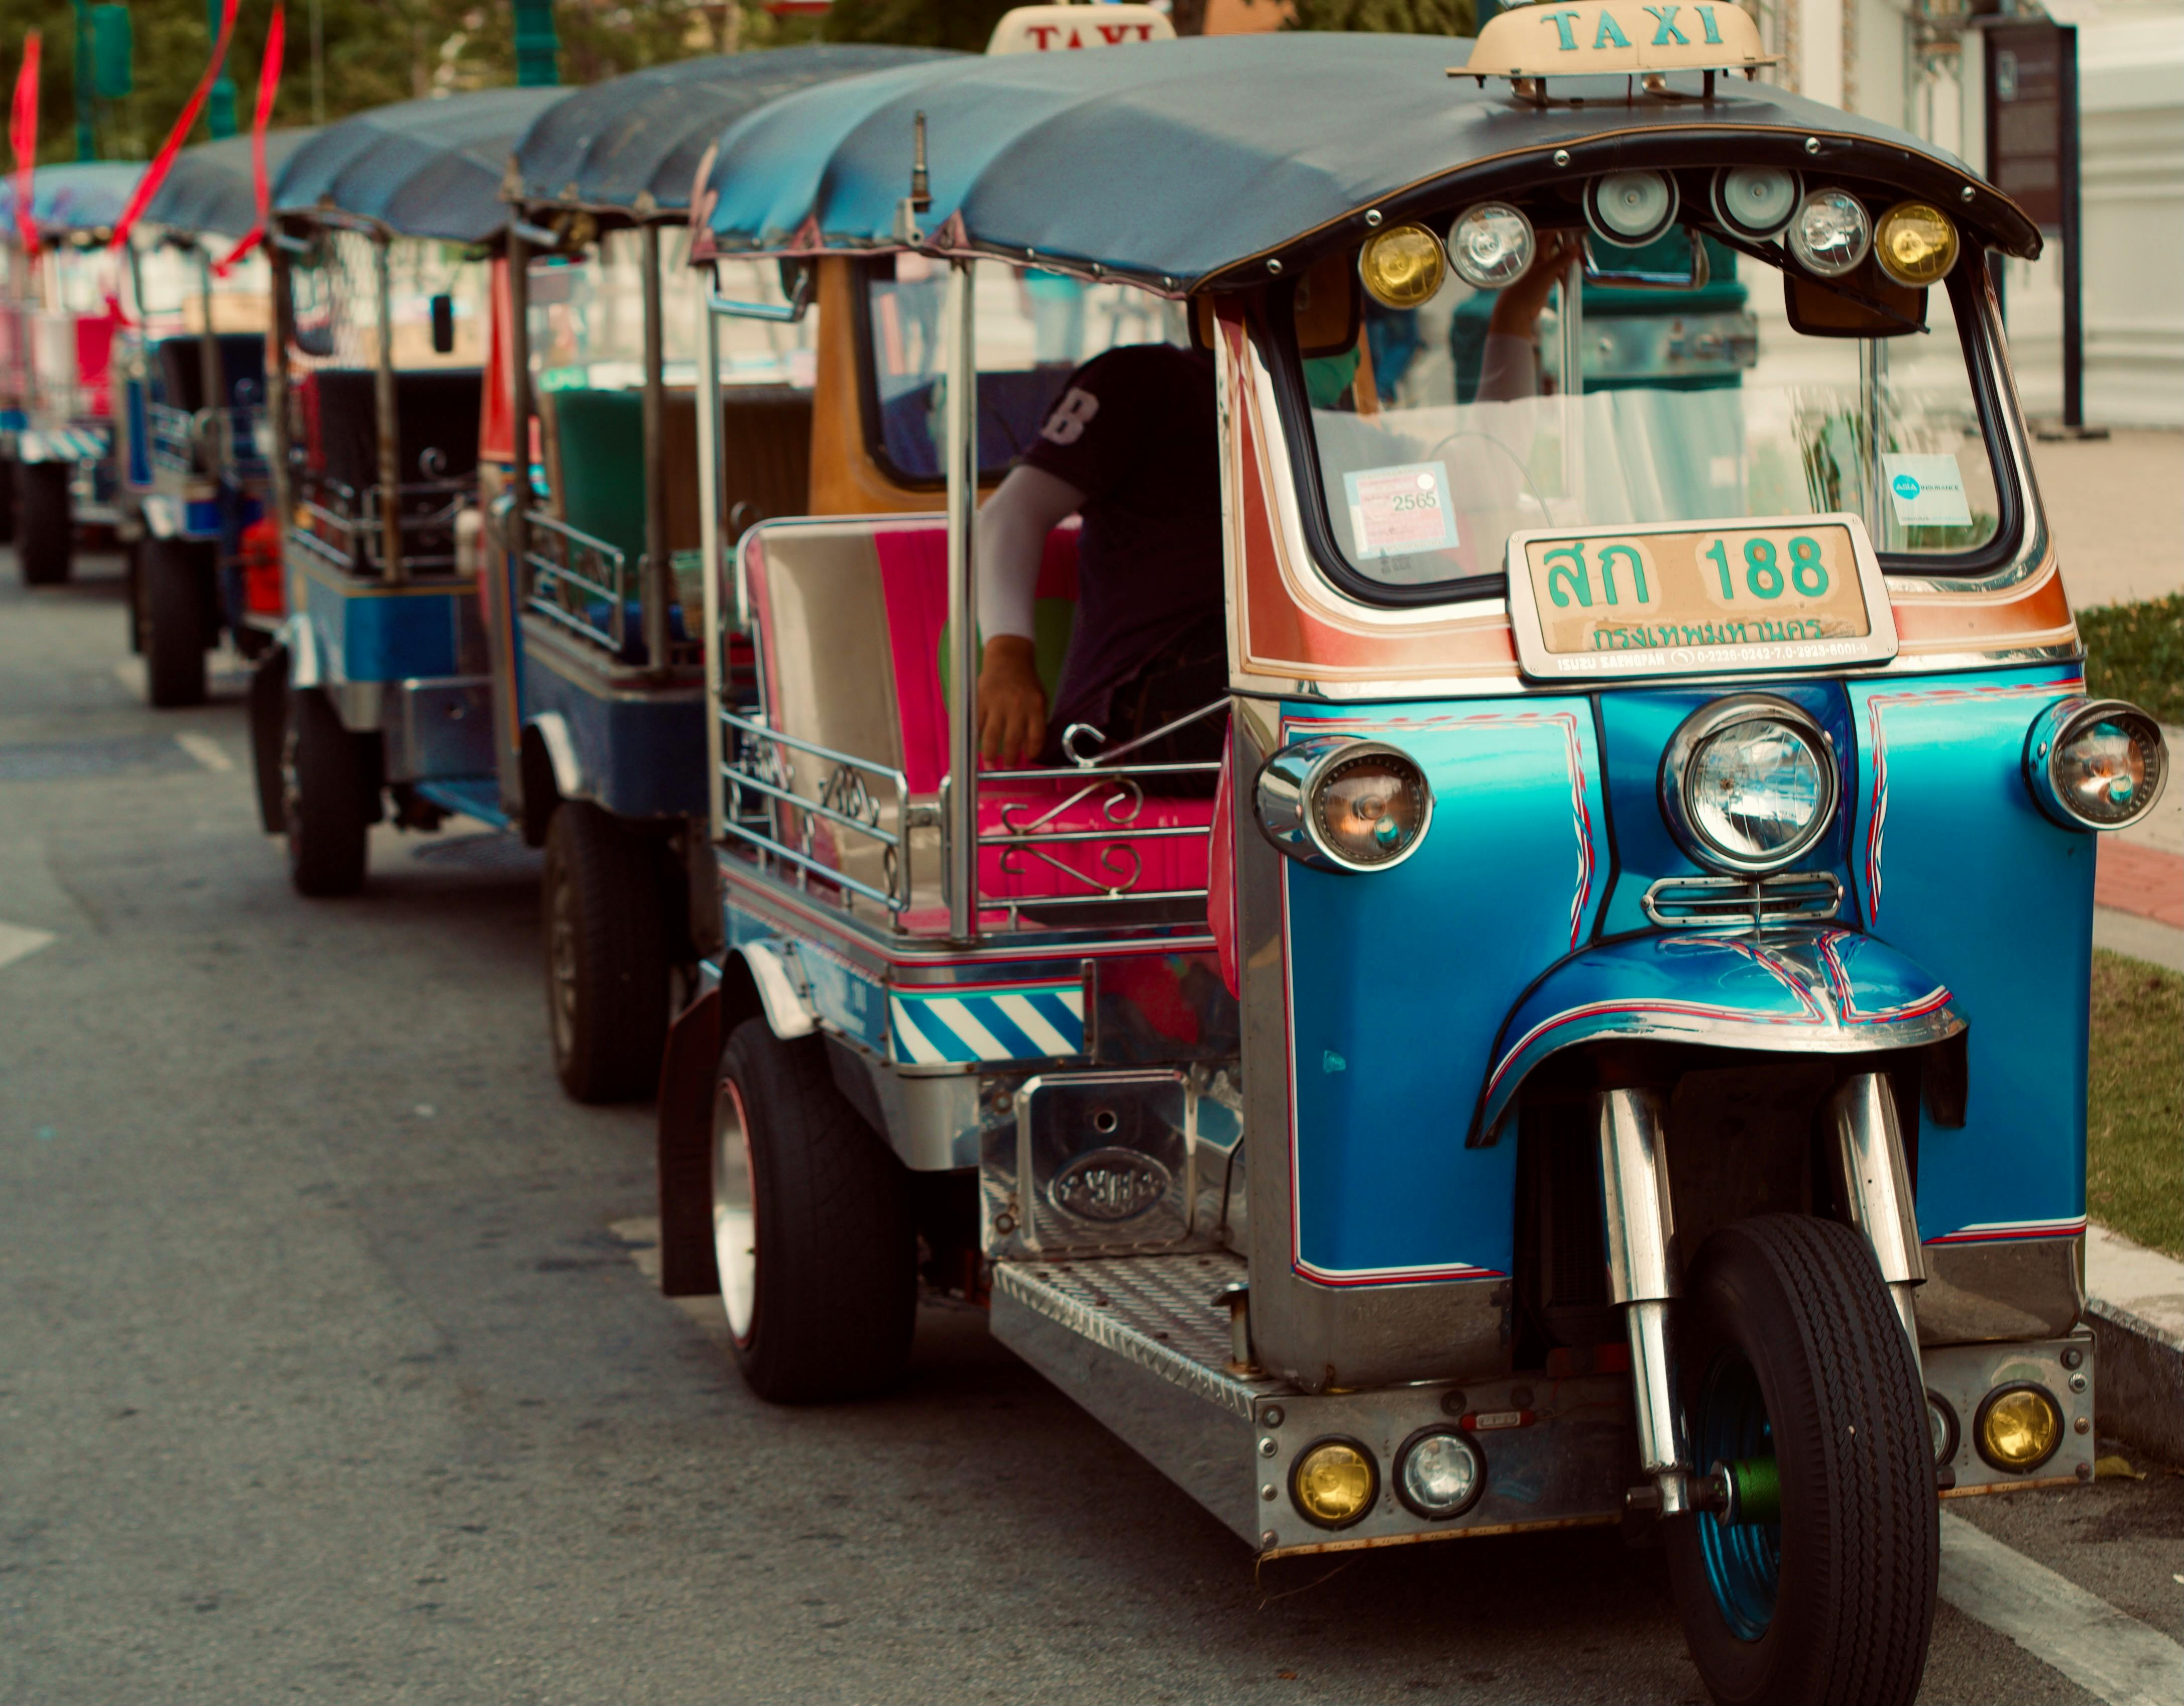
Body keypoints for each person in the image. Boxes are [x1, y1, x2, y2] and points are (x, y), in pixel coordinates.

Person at [972, 233, 1581, 772]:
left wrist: (1514, 320)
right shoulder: (1145, 384)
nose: (1314, 310)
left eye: (1331, 294)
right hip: (1148, 699)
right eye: (1302, 291)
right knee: (1313, 658)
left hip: (1310, 670)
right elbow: (1011, 514)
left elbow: (1483, 482)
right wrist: (1006, 654)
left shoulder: (1346, 439)